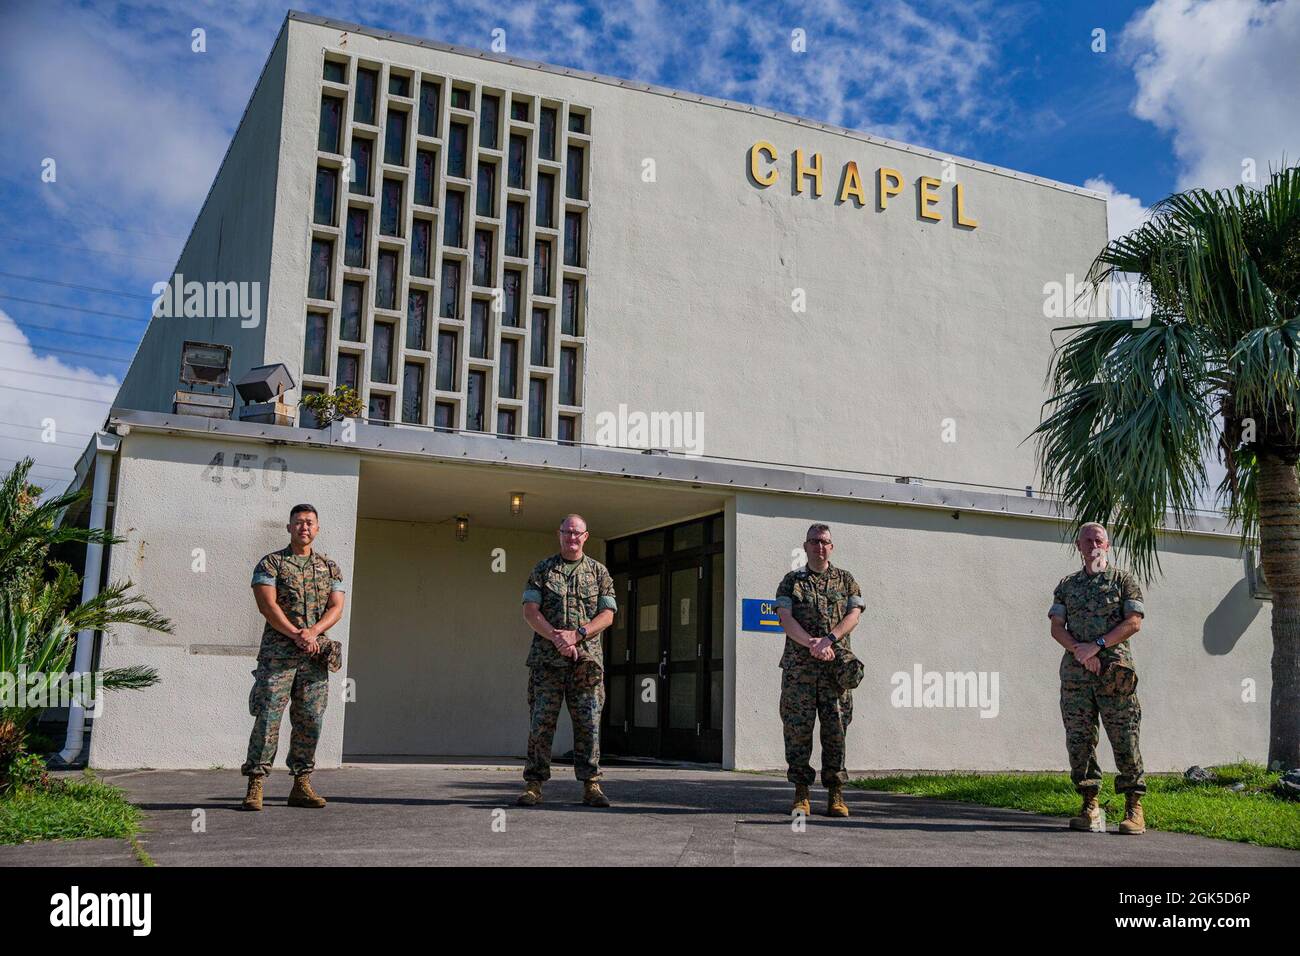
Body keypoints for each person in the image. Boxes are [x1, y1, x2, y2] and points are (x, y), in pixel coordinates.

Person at [240, 503, 345, 811]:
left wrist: (313, 633)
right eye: (298, 522)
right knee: (268, 718)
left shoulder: (329, 566)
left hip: (314, 657)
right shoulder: (271, 564)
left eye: (310, 522)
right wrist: (296, 634)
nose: (304, 527)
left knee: (310, 719)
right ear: (288, 528)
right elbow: (267, 606)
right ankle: (255, 783)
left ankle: (301, 784)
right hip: (278, 657)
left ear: (317, 528)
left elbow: (336, 607)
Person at [1049, 522, 1146, 834]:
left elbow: (1133, 623)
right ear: (1079, 547)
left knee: (1124, 737)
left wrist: (1097, 647)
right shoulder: (1067, 585)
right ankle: (1090, 805)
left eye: (1099, 540)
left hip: (1114, 673)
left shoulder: (1123, 581)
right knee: (1079, 740)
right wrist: (1080, 653)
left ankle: (1134, 806)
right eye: (1087, 540)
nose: (1093, 545)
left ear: (1108, 545)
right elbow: (1056, 628)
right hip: (1077, 676)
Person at [517, 514, 617, 807]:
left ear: (586, 536)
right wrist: (557, 638)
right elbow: (530, 611)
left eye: (577, 533)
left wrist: (578, 634)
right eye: (567, 532)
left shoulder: (599, 573)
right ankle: (533, 784)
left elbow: (608, 615)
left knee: (589, 723)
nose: (572, 538)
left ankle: (591, 785)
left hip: (586, 664)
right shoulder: (543, 570)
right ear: (559, 534)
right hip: (547, 663)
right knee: (541, 723)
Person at [774, 523, 865, 817]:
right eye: (814, 541)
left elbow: (854, 615)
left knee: (836, 731)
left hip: (834, 671)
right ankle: (801, 793)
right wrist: (811, 643)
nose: (819, 546)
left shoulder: (846, 580)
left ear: (831, 547)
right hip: (800, 672)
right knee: (797, 732)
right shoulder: (792, 581)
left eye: (824, 541)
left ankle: (836, 794)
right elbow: (785, 618)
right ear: (805, 546)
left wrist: (828, 640)